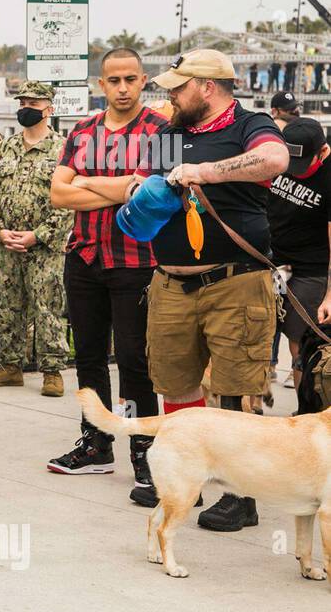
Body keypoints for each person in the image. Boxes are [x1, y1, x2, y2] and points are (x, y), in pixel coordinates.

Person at [139, 49, 288, 531]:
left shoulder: (250, 124)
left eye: (178, 88)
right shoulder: (169, 134)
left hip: (234, 280)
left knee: (235, 390)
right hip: (172, 281)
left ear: (207, 86)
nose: (170, 95)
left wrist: (204, 172)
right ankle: (191, 476)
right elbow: (150, 184)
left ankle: (242, 496)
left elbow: (274, 159)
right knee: (175, 381)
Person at [47, 48, 168, 503]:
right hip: (84, 256)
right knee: (89, 356)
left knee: (135, 360)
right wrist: (116, 189)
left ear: (143, 82)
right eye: (113, 80)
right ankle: (96, 442)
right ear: (101, 84)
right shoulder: (81, 130)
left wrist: (85, 183)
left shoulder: (160, 132)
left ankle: (144, 449)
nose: (121, 88)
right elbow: (58, 194)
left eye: (130, 79)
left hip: (136, 260)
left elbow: (146, 194)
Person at [0, 82, 72, 396]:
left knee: (48, 307)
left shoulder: (63, 149)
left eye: (33, 103)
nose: (25, 108)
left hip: (44, 247)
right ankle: (10, 367)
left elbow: (70, 199)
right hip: (4, 245)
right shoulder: (4, 147)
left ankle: (52, 371)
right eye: (22, 103)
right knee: (6, 307)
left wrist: (39, 235)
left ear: (49, 109)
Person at [268, 118, 331, 391]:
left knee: (301, 344)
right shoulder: (277, 161)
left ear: (324, 151)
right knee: (257, 338)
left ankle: (304, 413)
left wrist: (330, 294)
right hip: (271, 263)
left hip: (309, 272)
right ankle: (255, 408)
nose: (294, 172)